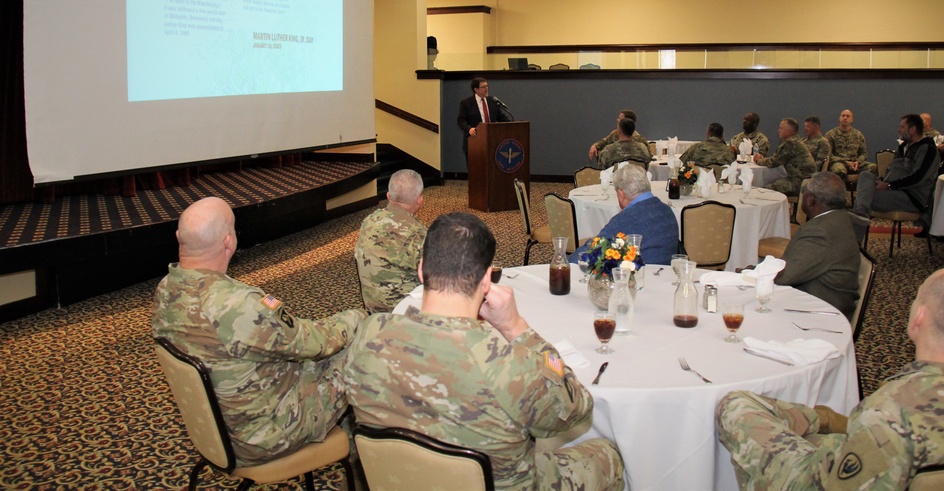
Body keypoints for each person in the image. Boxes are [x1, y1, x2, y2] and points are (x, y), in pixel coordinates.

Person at [345, 212, 625, 491]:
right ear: (486, 281)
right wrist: (517, 328)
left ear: (421, 270)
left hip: (400, 480)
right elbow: (576, 405)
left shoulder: (369, 334)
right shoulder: (508, 367)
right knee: (608, 454)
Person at [717, 266, 944, 490]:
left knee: (735, 405)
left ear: (918, 319)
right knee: (817, 424)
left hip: (828, 479)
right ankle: (824, 418)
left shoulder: (889, 411)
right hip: (894, 456)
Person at [151, 197, 364, 466]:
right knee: (363, 349)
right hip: (265, 435)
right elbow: (313, 343)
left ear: (179, 236)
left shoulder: (165, 290)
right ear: (229, 241)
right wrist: (355, 318)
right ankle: (366, 462)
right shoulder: (237, 305)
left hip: (217, 427)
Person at [774, 173, 860, 318]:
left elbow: (784, 276)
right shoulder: (840, 219)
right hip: (829, 300)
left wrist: (745, 275)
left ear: (810, 200)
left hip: (820, 311)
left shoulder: (820, 231)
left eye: (804, 192)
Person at [569, 162, 678, 265]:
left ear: (620, 194)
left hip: (640, 277)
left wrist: (571, 259)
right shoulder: (667, 210)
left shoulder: (625, 219)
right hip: (665, 273)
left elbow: (593, 252)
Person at [852, 114, 940, 234]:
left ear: (912, 129)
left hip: (911, 196)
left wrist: (889, 186)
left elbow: (919, 177)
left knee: (865, 198)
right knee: (865, 175)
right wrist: (882, 181)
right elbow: (891, 169)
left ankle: (855, 239)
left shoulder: (927, 149)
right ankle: (860, 215)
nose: (899, 130)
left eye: (902, 127)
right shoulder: (903, 148)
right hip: (891, 191)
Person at [354, 169, 427, 312]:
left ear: (388, 196)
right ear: (419, 200)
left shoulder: (369, 221)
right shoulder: (418, 234)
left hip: (371, 310)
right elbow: (435, 279)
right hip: (401, 315)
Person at [753, 118, 816, 197]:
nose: (778, 130)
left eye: (781, 128)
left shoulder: (790, 143)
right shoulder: (797, 140)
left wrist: (758, 160)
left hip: (799, 183)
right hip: (807, 181)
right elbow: (777, 158)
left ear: (788, 131)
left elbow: (772, 162)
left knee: (764, 191)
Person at [457, 77, 511, 160]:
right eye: (483, 87)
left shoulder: (492, 101)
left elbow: (501, 117)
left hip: (492, 141)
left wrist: (512, 125)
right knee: (476, 170)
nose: (486, 89)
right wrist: (469, 129)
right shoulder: (466, 103)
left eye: (487, 86)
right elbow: (461, 120)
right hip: (474, 141)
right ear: (476, 89)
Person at [825, 109, 877, 180]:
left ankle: (863, 190)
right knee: (839, 170)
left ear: (852, 119)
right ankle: (840, 190)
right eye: (843, 116)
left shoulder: (858, 135)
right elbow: (829, 155)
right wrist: (846, 162)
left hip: (855, 163)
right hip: (840, 163)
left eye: (848, 116)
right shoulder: (831, 134)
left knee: (873, 167)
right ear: (839, 118)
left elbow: (863, 153)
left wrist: (857, 162)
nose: (845, 118)